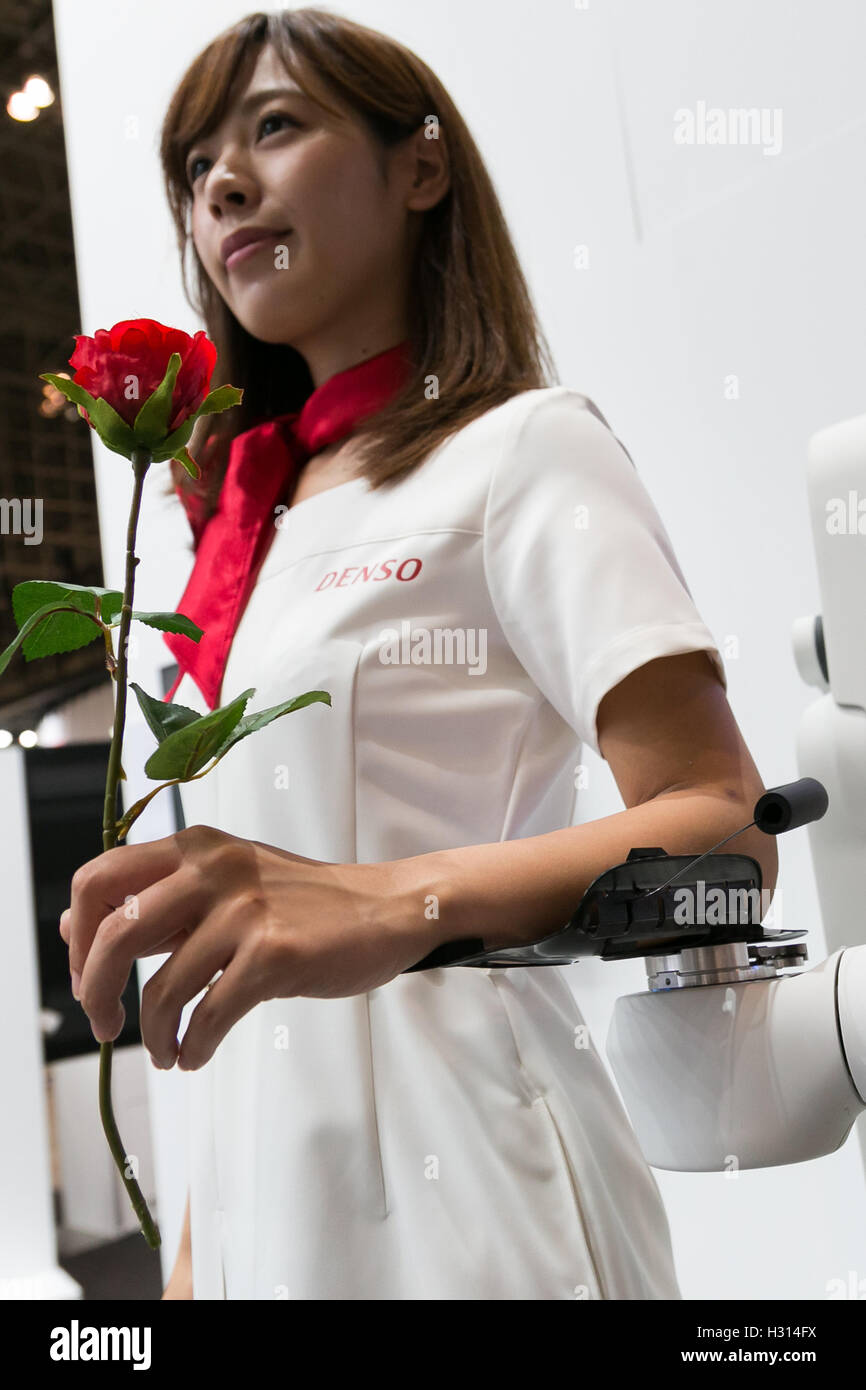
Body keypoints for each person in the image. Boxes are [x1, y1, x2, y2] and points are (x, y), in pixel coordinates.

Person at [64, 8, 778, 1300]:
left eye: (273, 127)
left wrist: (390, 900)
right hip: (253, 1227)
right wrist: (190, 1251)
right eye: (195, 164)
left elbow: (721, 831)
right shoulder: (241, 528)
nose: (220, 182)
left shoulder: (525, 449)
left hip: (477, 1201)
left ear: (420, 169)